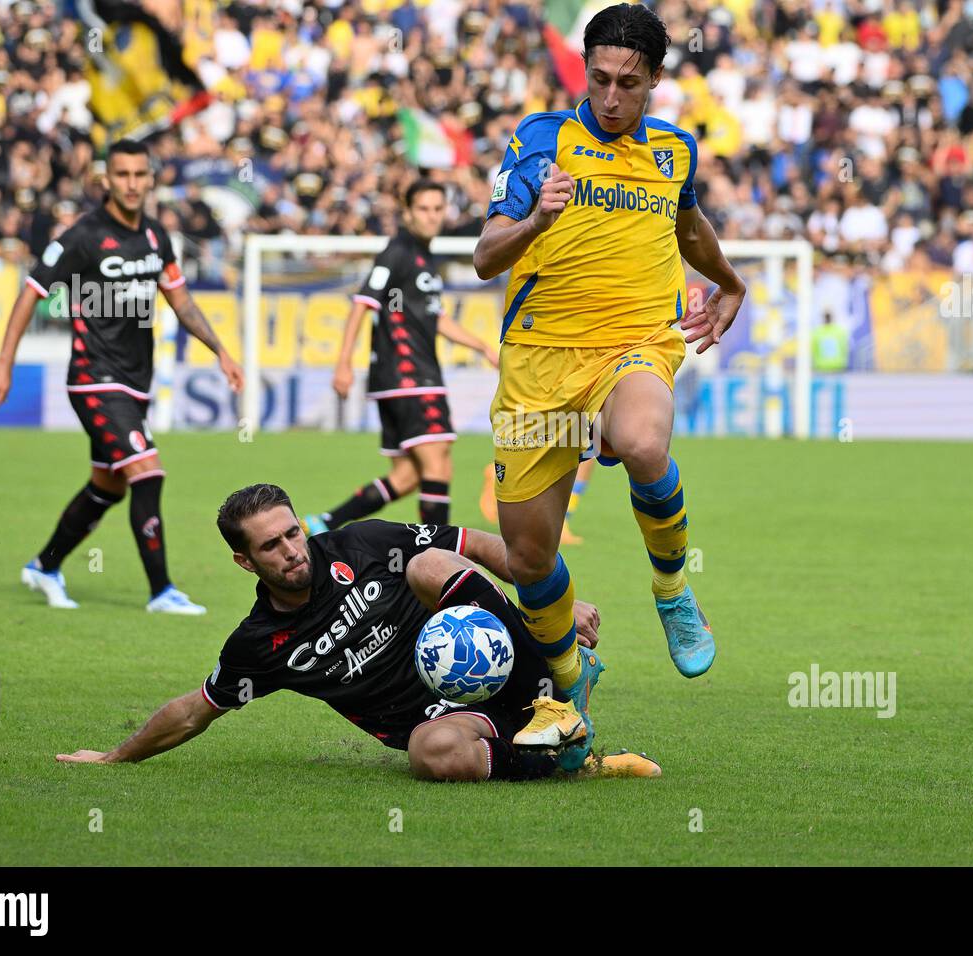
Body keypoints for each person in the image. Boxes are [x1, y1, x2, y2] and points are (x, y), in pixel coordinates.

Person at [472, 3, 745, 763]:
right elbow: (485, 256)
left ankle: (672, 593)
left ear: (655, 80)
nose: (613, 96)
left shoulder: (673, 152)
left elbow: (686, 227)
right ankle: (569, 679)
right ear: (584, 73)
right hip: (538, 366)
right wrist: (536, 221)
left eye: (630, 82)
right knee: (529, 556)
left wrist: (729, 283)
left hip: (634, 345)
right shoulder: (541, 141)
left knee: (641, 440)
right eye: (600, 80)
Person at [55, 483, 659, 780]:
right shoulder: (260, 646)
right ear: (246, 562)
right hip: (451, 722)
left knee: (428, 562)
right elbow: (195, 710)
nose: (292, 551)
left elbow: (474, 544)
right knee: (429, 756)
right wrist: (114, 757)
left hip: (507, 664)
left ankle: (560, 681)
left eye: (292, 532)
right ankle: (573, 760)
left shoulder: (362, 544)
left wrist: (557, 605)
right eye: (271, 546)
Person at [0, 139, 244, 614]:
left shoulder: (156, 237)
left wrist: (220, 349)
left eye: (140, 174)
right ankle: (162, 591)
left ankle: (44, 565)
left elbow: (180, 301)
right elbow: (32, 293)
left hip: (135, 380)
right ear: (106, 179)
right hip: (93, 377)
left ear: (150, 178)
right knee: (148, 471)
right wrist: (4, 362)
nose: (131, 184)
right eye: (122, 175)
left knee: (108, 485)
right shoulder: (82, 236)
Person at [303, 180, 499, 535]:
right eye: (423, 209)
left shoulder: (425, 257)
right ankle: (438, 555)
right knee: (438, 465)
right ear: (407, 212)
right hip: (408, 375)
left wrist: (482, 346)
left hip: (408, 377)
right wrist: (343, 362)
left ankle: (323, 524)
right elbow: (363, 303)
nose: (431, 217)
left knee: (407, 477)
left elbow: (434, 316)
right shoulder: (398, 251)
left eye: (438, 209)